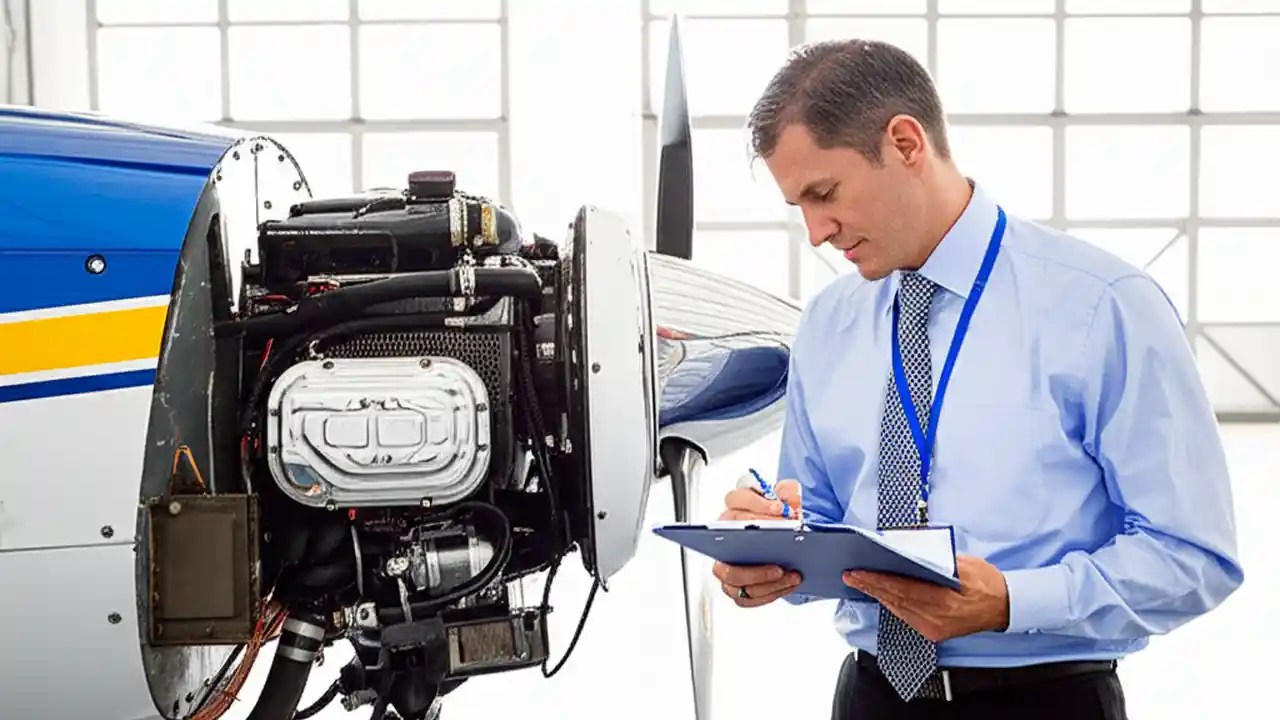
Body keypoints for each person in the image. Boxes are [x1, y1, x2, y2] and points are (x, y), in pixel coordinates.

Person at [711, 38, 1244, 720]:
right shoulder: (828, 322)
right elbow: (816, 514)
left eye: (825, 193)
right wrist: (767, 551)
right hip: (872, 695)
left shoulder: (1101, 305)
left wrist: (1012, 603)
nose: (816, 232)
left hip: (1047, 701)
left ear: (906, 144)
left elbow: (1192, 553)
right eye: (800, 207)